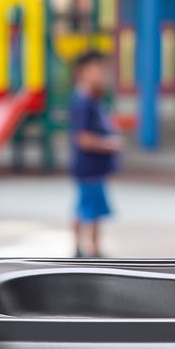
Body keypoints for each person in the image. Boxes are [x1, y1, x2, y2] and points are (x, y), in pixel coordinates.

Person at [69, 50, 121, 259]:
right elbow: (82, 137)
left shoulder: (94, 99)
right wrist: (108, 144)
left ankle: (91, 247)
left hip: (95, 168)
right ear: (83, 72)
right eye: (97, 71)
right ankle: (84, 248)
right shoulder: (82, 101)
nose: (102, 76)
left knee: (93, 209)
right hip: (88, 167)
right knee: (86, 209)